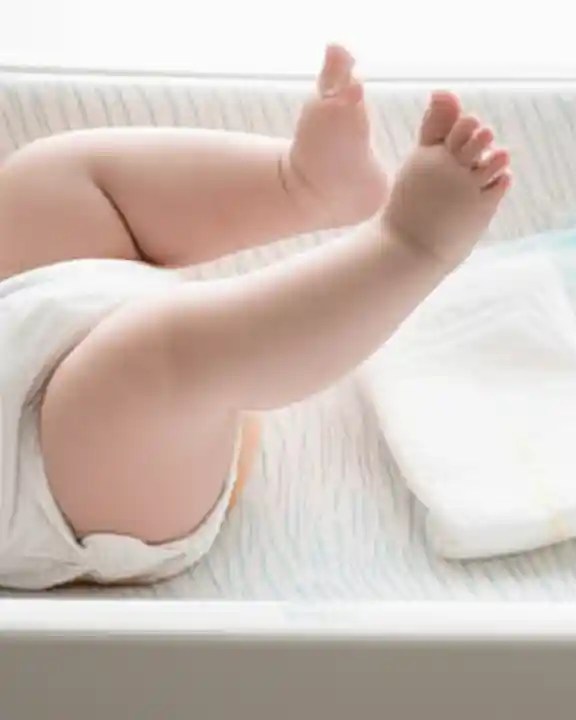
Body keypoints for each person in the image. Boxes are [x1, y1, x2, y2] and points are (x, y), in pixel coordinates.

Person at [0, 44, 510, 588]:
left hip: (30, 306)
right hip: (63, 482)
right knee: (151, 357)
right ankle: (410, 246)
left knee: (40, 184)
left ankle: (301, 184)